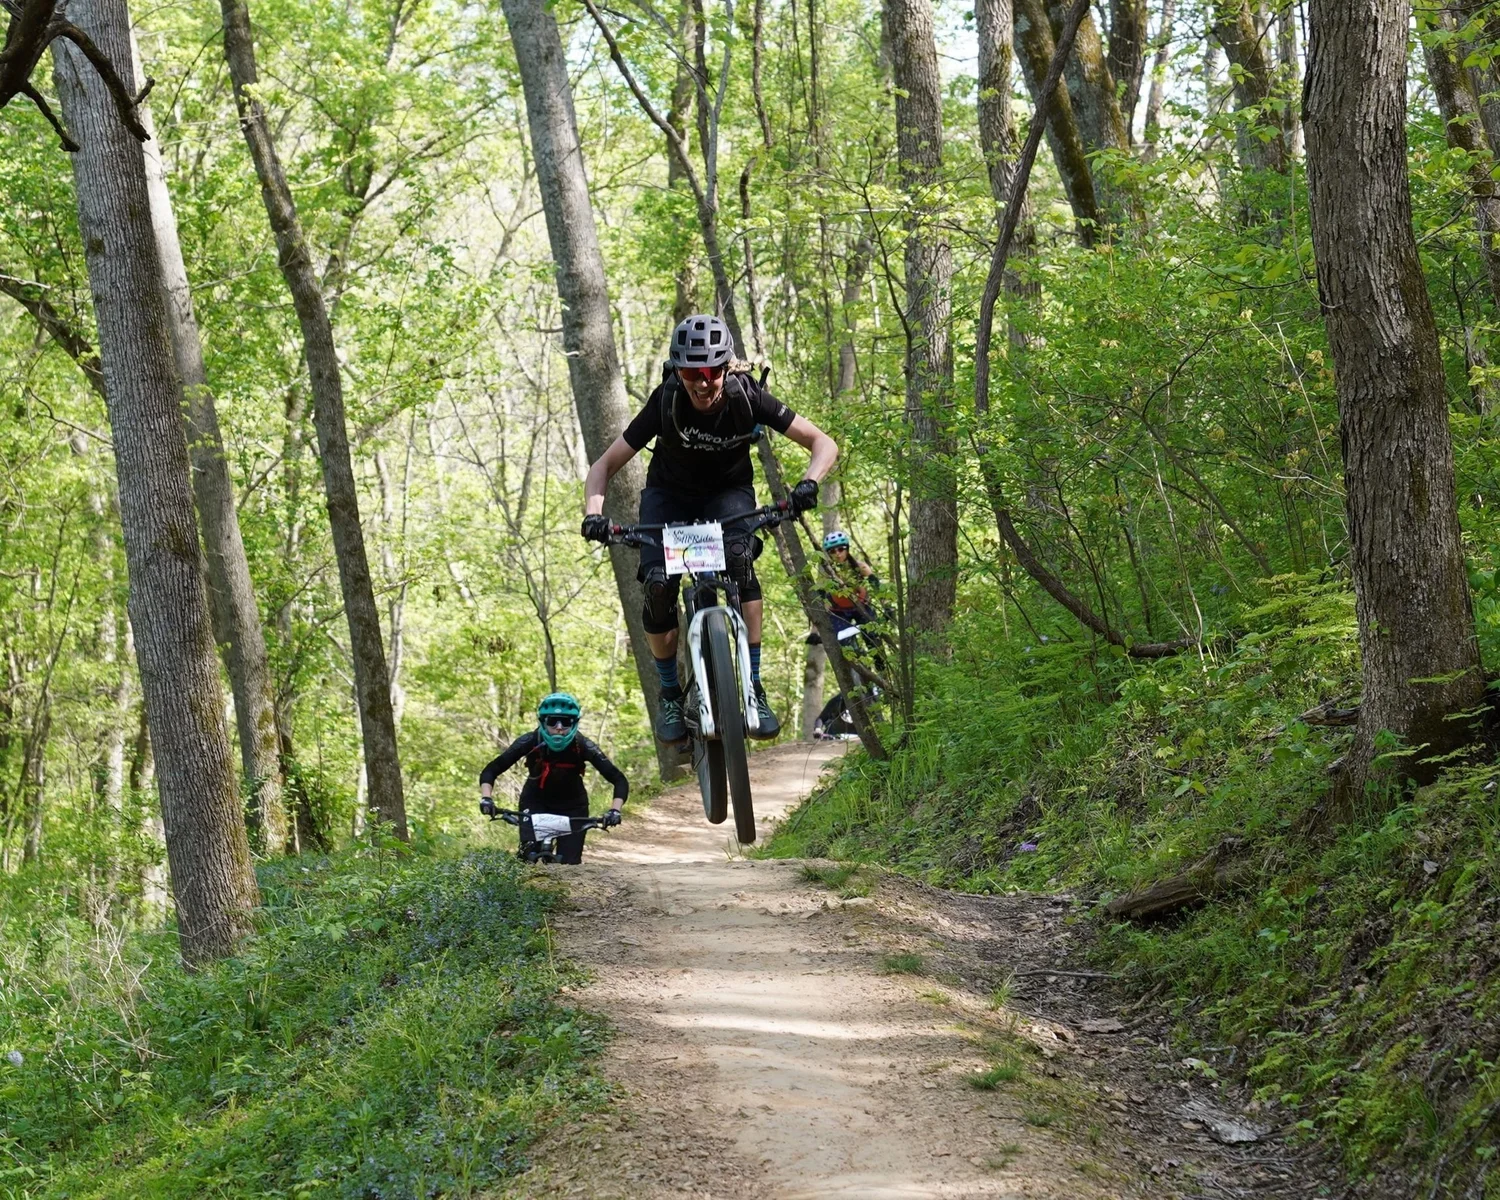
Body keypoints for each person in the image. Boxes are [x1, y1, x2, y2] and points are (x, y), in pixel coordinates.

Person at [580, 314, 838, 743]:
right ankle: (669, 694)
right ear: (678, 372)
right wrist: (594, 512)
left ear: (726, 368)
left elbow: (823, 443)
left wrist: (808, 484)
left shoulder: (747, 396)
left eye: (711, 371)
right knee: (660, 585)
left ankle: (753, 687)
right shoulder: (665, 402)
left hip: (727, 494)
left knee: (740, 562)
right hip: (669, 497)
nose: (702, 383)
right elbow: (604, 466)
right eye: (690, 373)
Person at [478, 692, 627, 864]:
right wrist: (486, 799)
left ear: (574, 724)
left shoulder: (584, 745)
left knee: (570, 866)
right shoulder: (530, 740)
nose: (558, 727)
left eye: (565, 722)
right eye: (552, 721)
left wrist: (615, 810)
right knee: (526, 859)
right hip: (534, 803)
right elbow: (491, 770)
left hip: (573, 807)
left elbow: (618, 779)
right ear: (543, 722)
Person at [818, 530, 879, 635]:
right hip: (838, 611)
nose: (837, 554)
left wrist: (887, 606)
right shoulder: (825, 574)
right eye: (832, 551)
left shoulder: (860, 566)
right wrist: (815, 631)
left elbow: (876, 585)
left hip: (863, 606)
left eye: (841, 549)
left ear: (847, 549)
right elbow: (820, 601)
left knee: (873, 637)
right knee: (844, 641)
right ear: (828, 554)